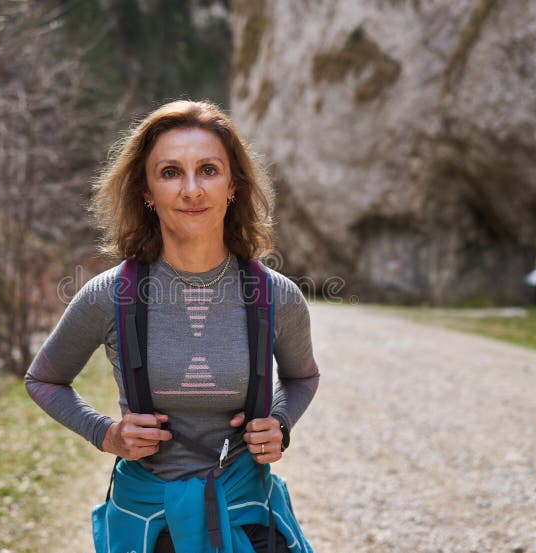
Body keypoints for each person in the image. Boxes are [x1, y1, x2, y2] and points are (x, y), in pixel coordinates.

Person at [24, 100, 320, 552]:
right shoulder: (110, 295)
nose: (191, 190)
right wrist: (106, 433)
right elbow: (43, 379)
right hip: (148, 523)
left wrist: (279, 422)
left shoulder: (276, 296)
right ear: (146, 190)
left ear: (233, 185)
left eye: (208, 170)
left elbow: (303, 376)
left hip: (246, 516)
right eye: (169, 173)